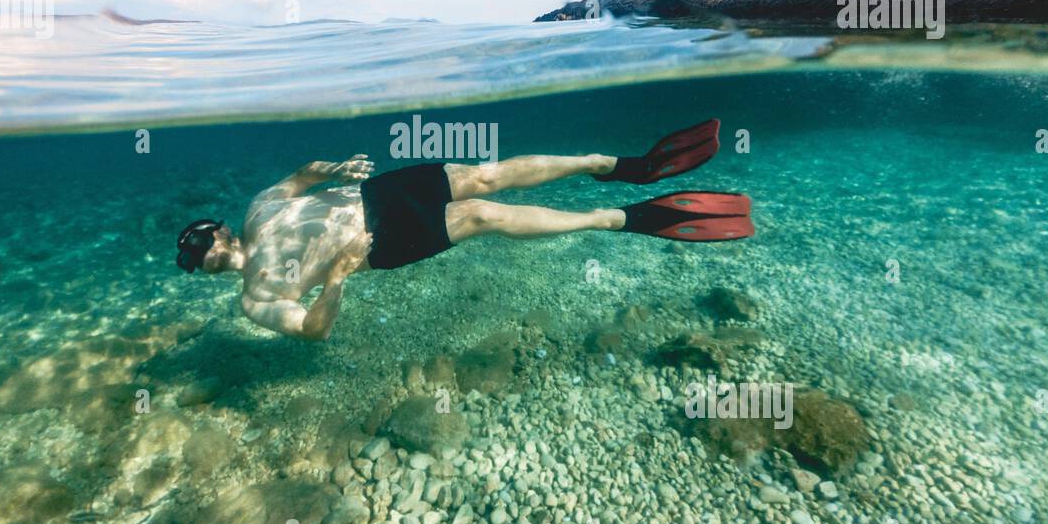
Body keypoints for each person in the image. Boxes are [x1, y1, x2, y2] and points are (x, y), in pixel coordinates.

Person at [175, 119, 751, 340]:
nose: (210, 252)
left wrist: (331, 169)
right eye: (201, 259)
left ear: (221, 230)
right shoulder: (257, 300)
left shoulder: (259, 208)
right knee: (484, 217)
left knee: (487, 175)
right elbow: (312, 331)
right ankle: (622, 219)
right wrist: (338, 279)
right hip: (379, 246)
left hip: (377, 192)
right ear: (208, 270)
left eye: (207, 241)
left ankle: (614, 164)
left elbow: (300, 177)